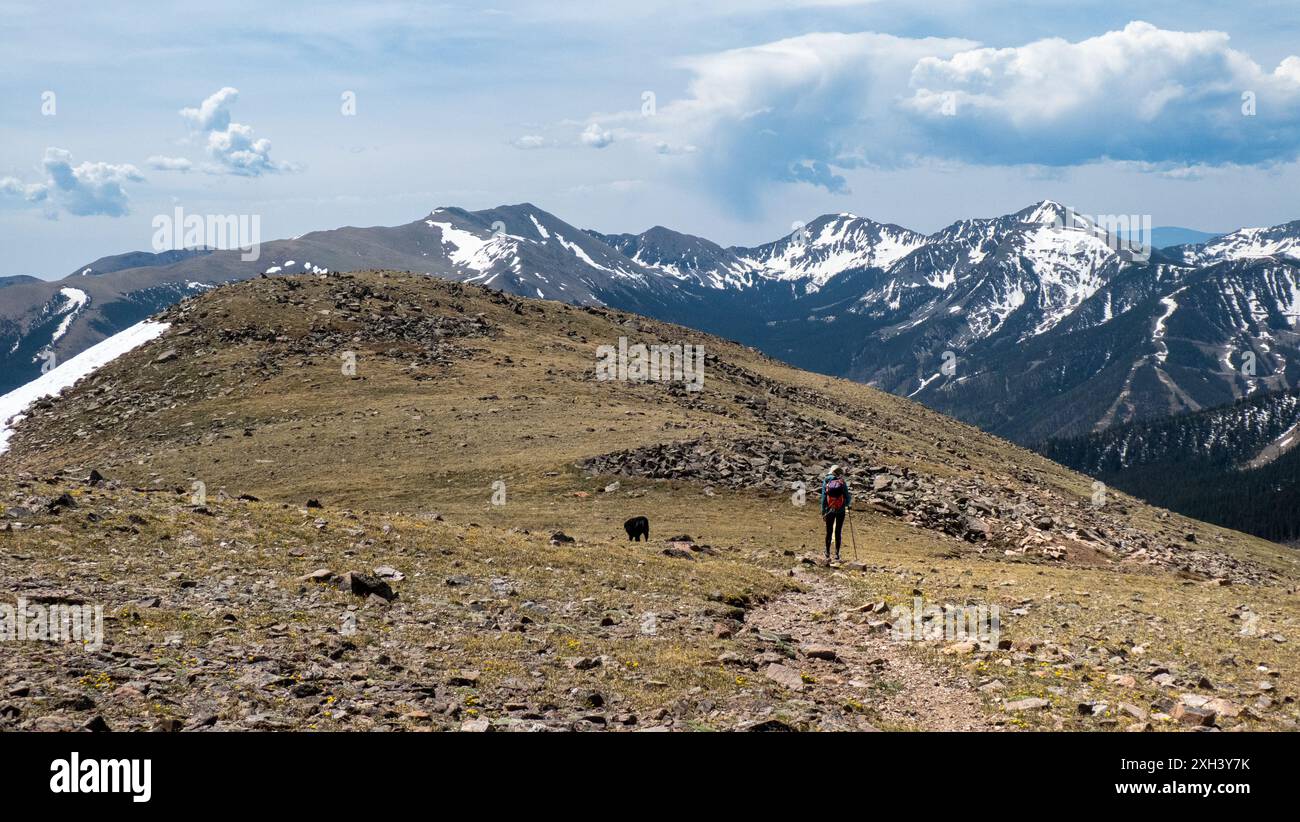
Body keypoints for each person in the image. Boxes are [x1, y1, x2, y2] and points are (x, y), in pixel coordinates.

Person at [820, 465, 851, 562]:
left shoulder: (826, 481)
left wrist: (823, 511)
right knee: (838, 531)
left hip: (830, 509)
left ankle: (827, 552)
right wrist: (845, 505)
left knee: (829, 531)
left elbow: (824, 498)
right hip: (840, 510)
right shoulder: (842, 482)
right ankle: (837, 553)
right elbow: (848, 497)